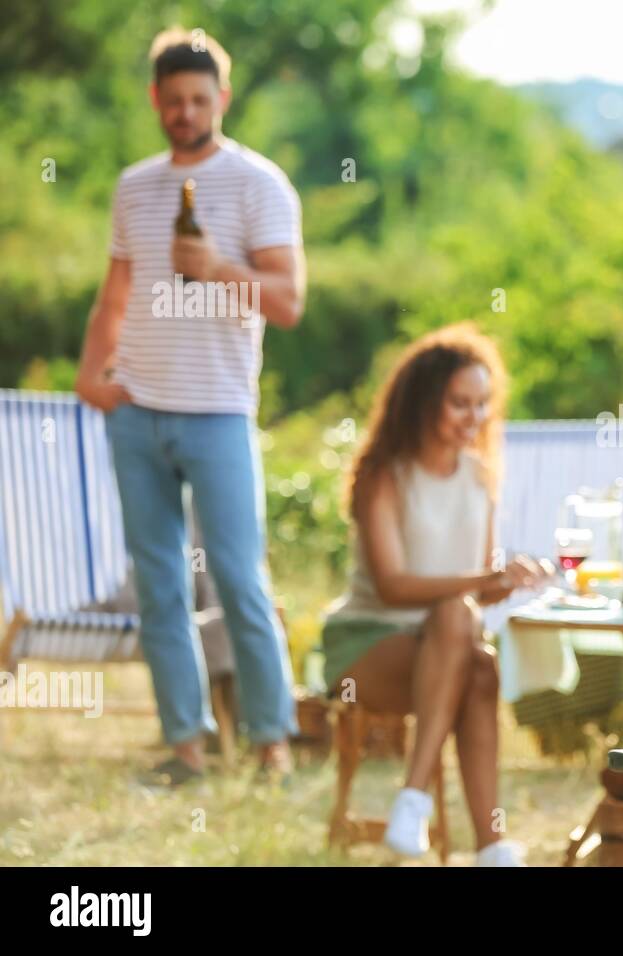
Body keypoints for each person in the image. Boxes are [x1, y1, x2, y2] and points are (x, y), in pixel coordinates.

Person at [74, 28, 307, 784]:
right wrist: (91, 374)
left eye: (198, 99)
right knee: (160, 586)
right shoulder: (135, 186)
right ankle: (185, 749)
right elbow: (116, 292)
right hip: (138, 412)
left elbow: (289, 302)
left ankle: (272, 745)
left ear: (223, 99)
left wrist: (215, 269)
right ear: (155, 101)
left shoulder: (258, 184)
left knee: (240, 580)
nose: (185, 112)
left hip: (218, 414)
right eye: (172, 101)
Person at [322, 323, 547, 865]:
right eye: (458, 404)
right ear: (424, 402)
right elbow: (393, 587)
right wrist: (480, 582)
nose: (474, 418)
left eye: (482, 405)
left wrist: (508, 579)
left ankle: (464, 831)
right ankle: (433, 806)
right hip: (368, 644)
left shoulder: (480, 476)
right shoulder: (383, 476)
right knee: (458, 624)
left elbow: (480, 594)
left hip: (445, 646)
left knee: (478, 663)